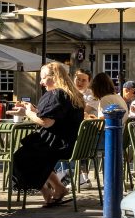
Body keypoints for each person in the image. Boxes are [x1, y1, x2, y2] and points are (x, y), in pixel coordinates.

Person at [11, 61, 86, 206]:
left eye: (44, 78)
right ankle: (58, 188)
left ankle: (48, 191)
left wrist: (26, 112)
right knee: (34, 155)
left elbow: (46, 122)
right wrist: (33, 110)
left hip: (57, 144)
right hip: (70, 143)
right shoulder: (73, 95)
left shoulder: (55, 94)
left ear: (55, 76)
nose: (41, 82)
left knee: (19, 157)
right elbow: (55, 117)